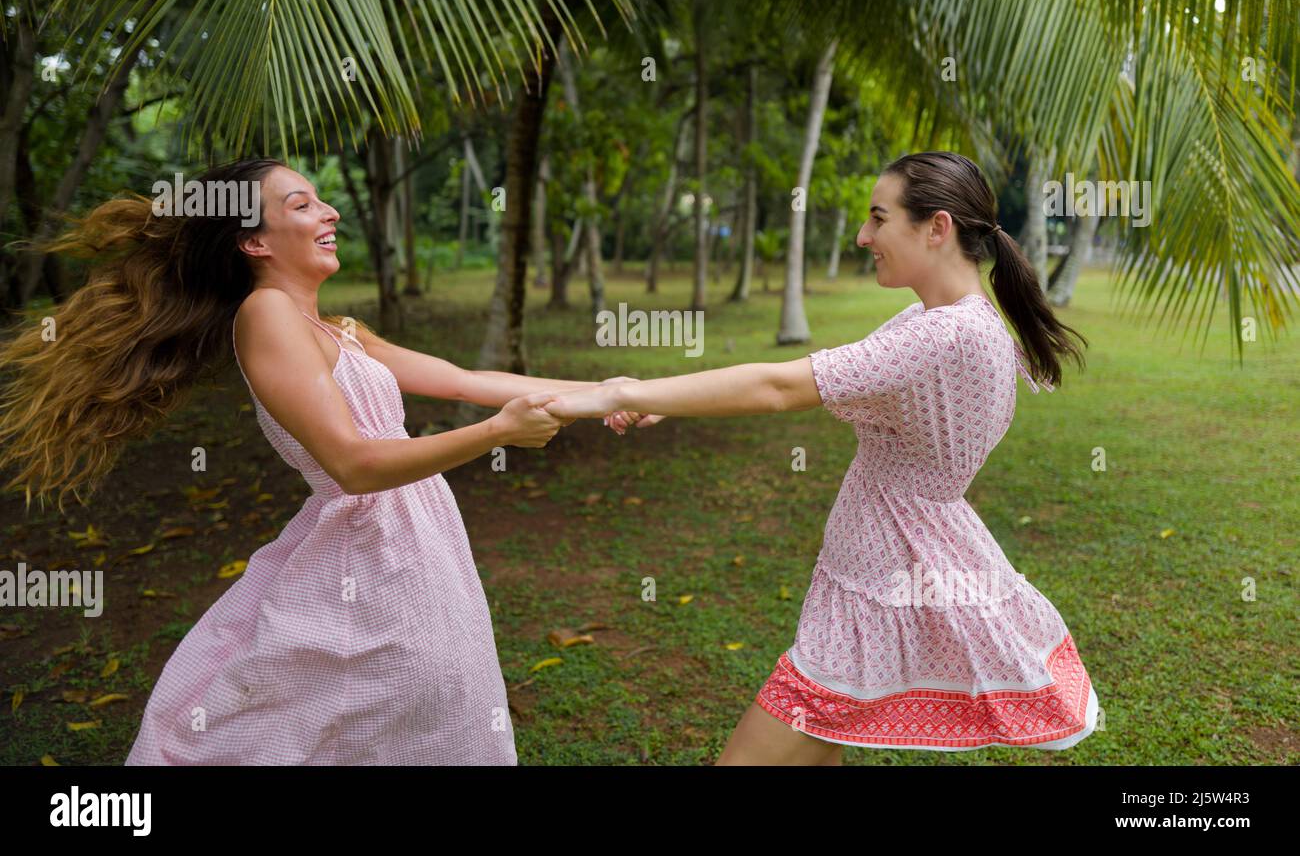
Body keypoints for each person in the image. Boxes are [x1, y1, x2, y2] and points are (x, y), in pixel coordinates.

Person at [0, 158, 635, 765]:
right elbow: (353, 466)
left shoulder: (337, 329)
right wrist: (496, 434)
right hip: (362, 546)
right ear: (254, 243)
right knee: (341, 709)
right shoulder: (266, 314)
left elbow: (463, 379)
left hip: (416, 540)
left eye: (319, 199)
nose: (328, 211)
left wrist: (607, 394)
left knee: (428, 702)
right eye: (301, 204)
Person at [545, 151, 1099, 765]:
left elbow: (780, 388)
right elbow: (824, 375)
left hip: (885, 576)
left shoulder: (943, 335)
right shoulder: (942, 321)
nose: (864, 237)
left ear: (937, 227)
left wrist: (627, 391)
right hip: (871, 576)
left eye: (878, 219)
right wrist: (672, 403)